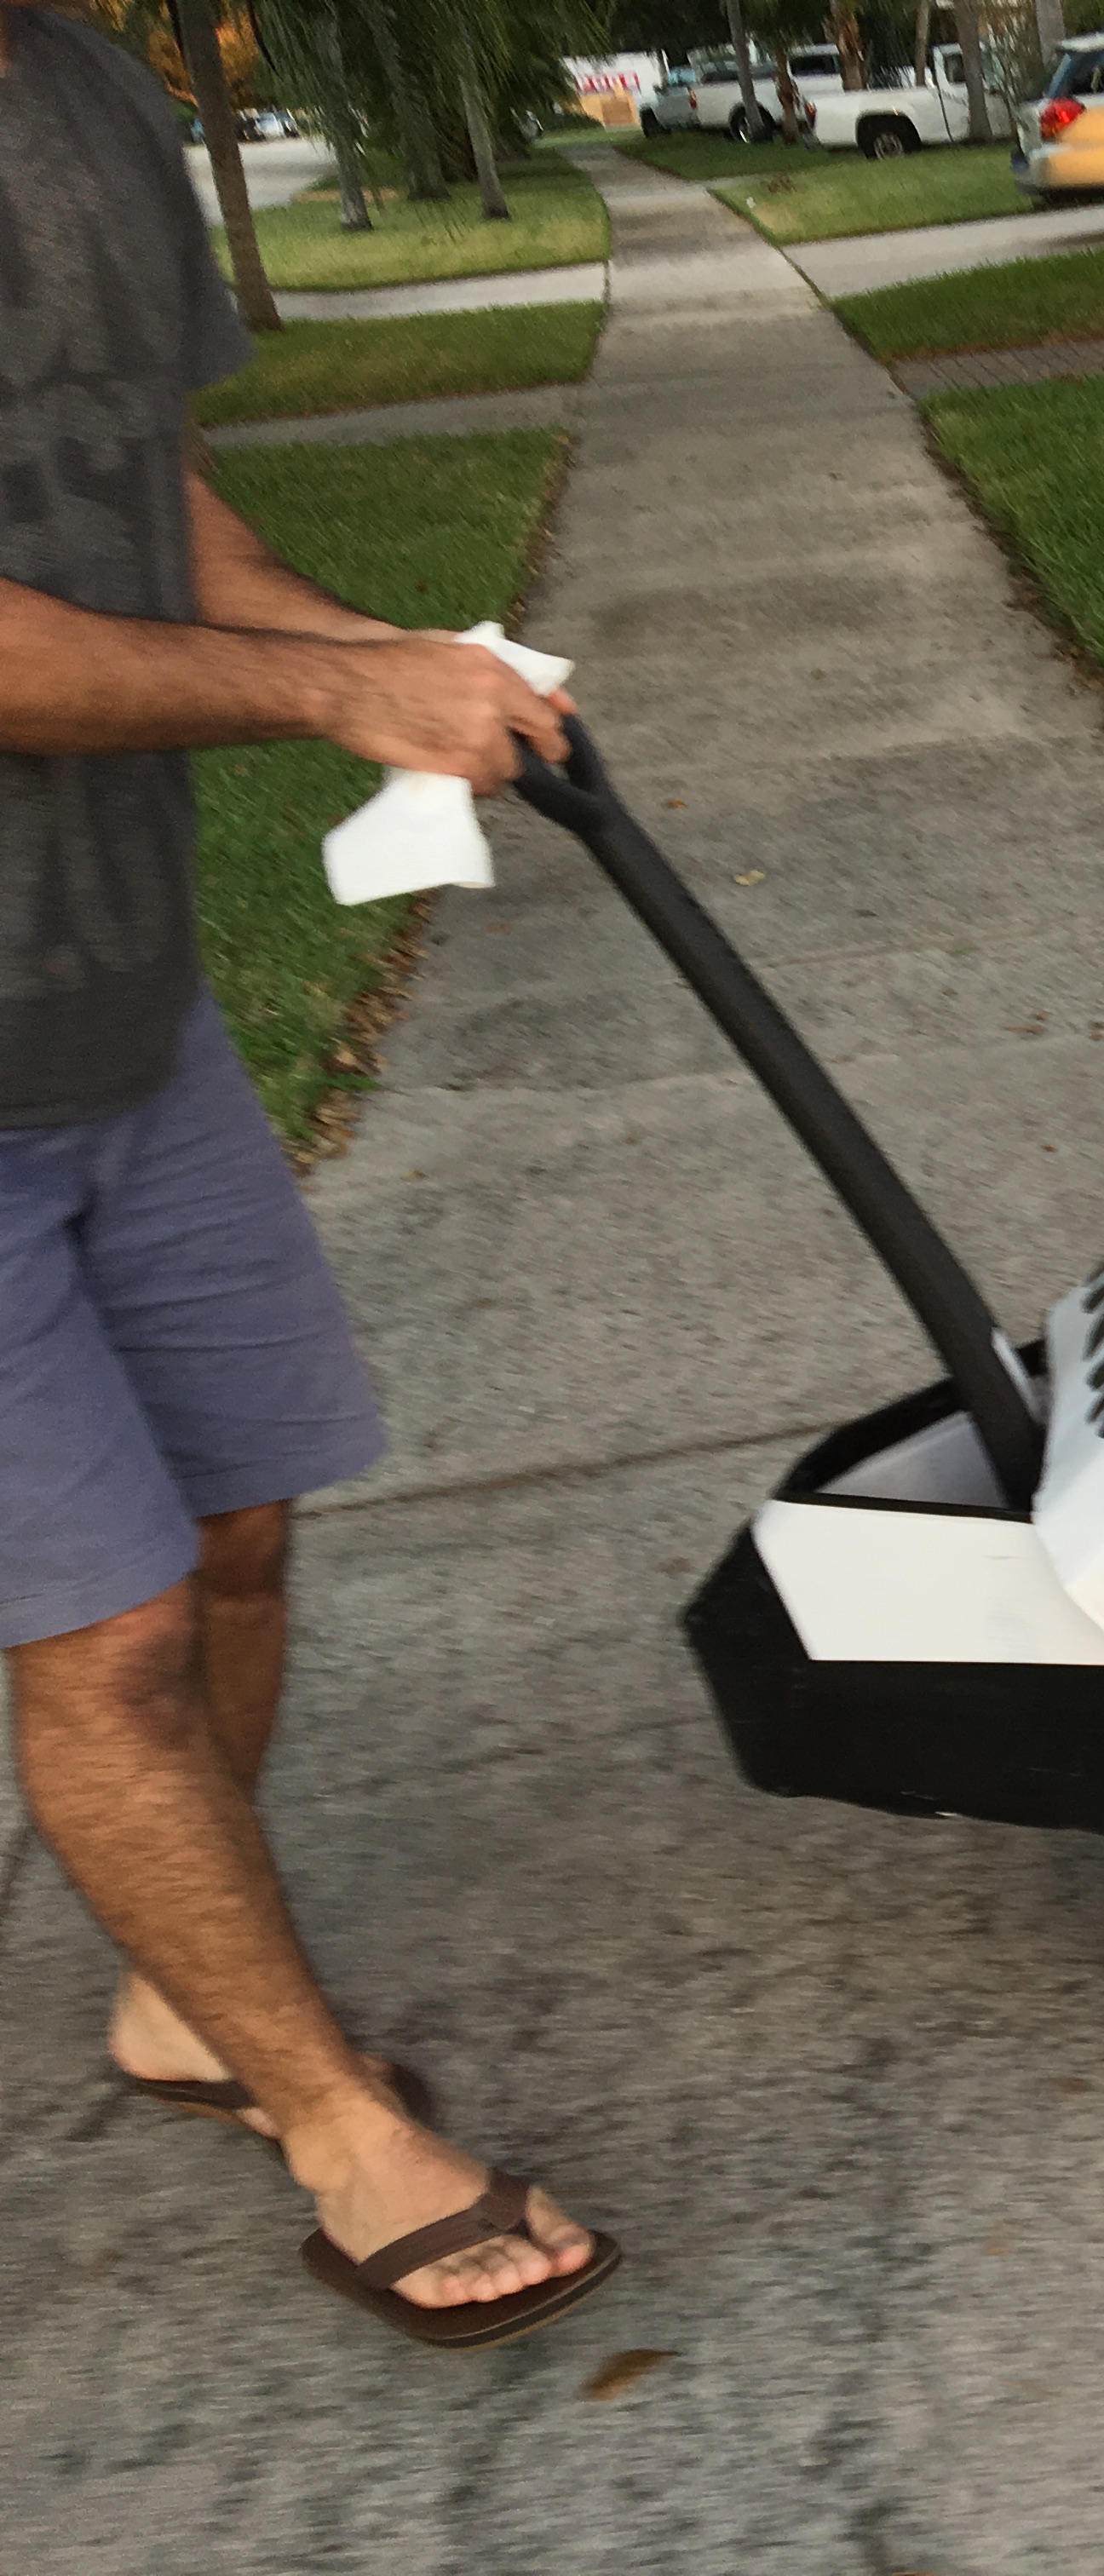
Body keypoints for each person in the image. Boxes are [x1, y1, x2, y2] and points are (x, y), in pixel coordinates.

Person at [2, 0, 618, 2348]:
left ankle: (188, 1999)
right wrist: (329, 696)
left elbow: (144, 504)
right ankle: (338, 2127)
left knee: (240, 1529)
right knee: (112, 1630)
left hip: (122, 1012)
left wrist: (404, 652)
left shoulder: (85, 84)